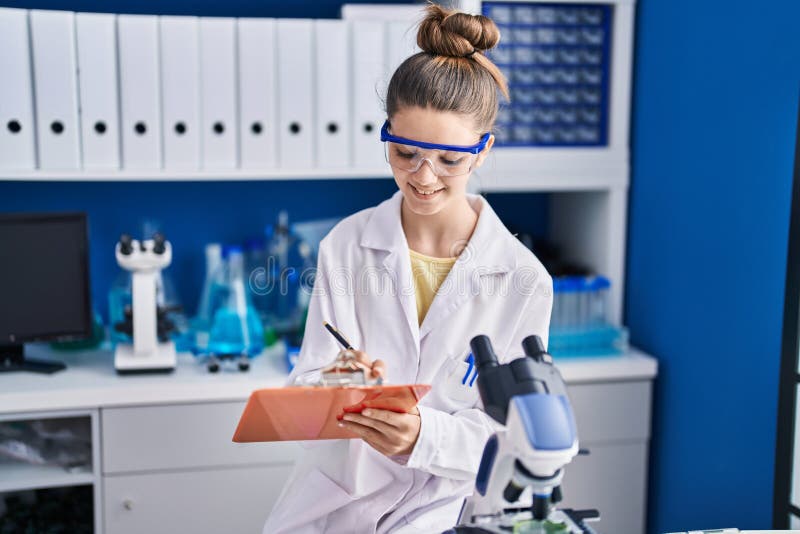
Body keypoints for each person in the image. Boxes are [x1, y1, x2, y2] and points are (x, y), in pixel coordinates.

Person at [264, 4, 553, 533]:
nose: (423, 177)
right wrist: (338, 382)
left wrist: (424, 438)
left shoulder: (523, 280)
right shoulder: (346, 245)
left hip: (439, 513)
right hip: (333, 510)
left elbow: (517, 438)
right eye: (404, 152)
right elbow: (304, 390)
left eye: (449, 160)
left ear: (483, 151)